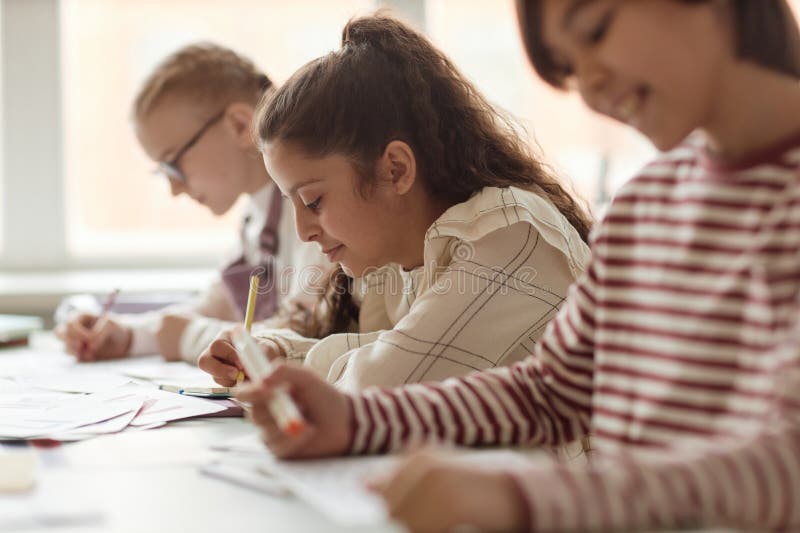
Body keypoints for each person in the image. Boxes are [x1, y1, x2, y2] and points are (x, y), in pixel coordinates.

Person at [238, 3, 800, 531]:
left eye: (597, 31)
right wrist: (355, 420)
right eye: (569, 68)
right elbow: (552, 392)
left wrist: (519, 494)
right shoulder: (646, 205)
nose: (590, 87)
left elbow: (787, 465)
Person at [197, 14, 593, 406]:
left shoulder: (509, 233)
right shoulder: (391, 262)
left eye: (314, 201)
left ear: (395, 170)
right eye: (292, 205)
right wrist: (272, 352)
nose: (303, 231)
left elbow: (380, 385)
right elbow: (389, 351)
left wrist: (286, 363)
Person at [56, 43, 323, 363]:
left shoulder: (313, 211)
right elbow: (214, 307)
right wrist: (126, 335)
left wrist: (190, 338)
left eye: (174, 163)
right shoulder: (257, 215)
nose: (174, 189)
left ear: (240, 126)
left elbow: (303, 330)